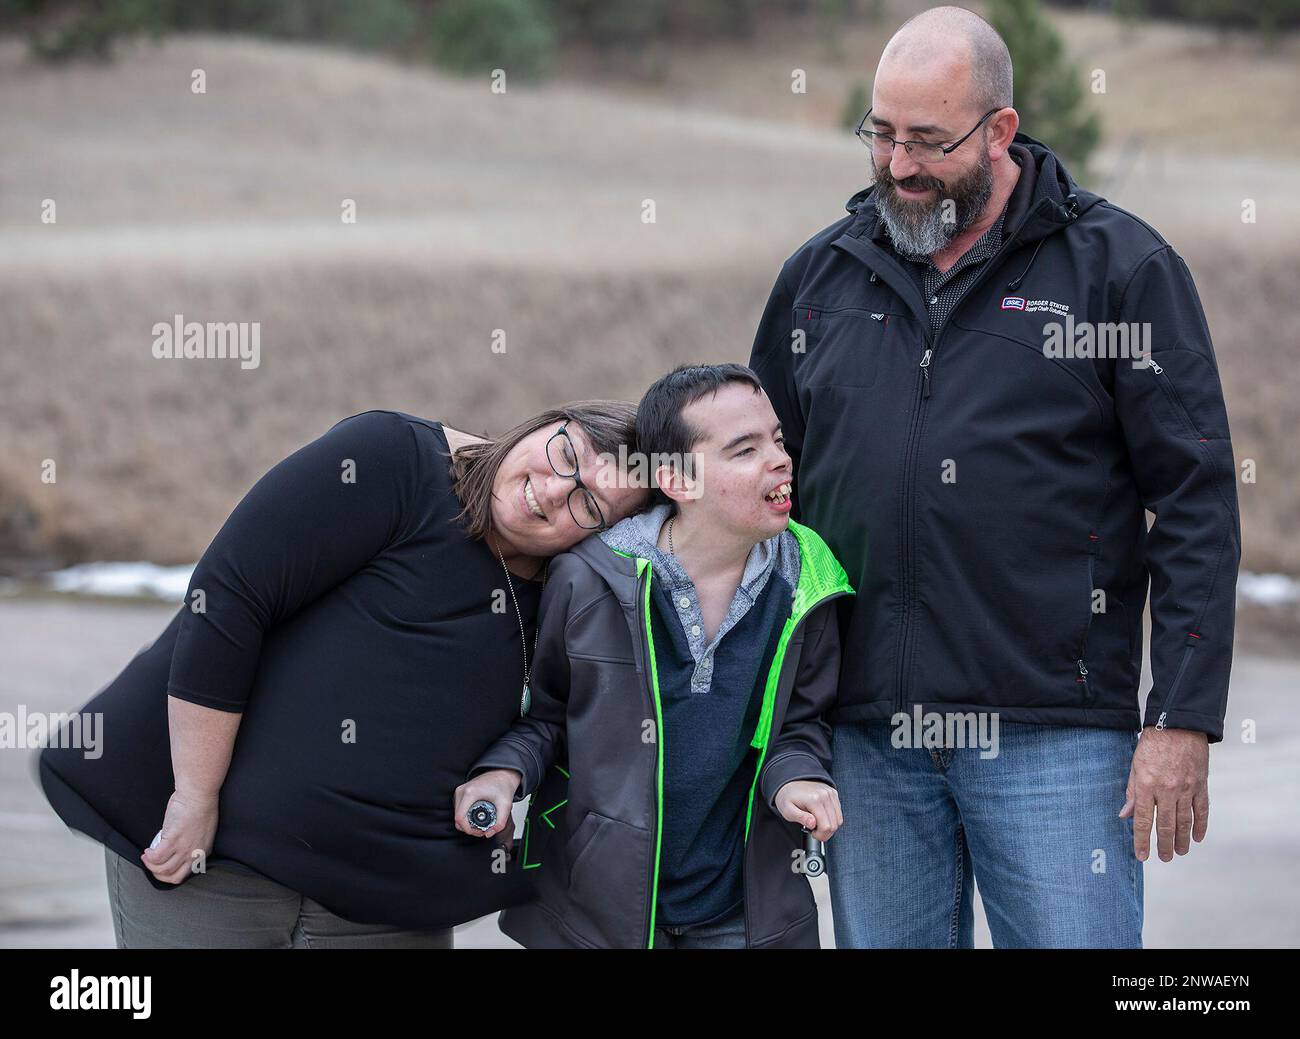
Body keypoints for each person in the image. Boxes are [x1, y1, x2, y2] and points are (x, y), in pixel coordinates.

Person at [749, 6, 1240, 948]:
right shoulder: (820, 279)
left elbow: (1194, 502)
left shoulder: (1120, 270)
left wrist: (1181, 717)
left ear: (1000, 131)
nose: (898, 165)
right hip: (869, 736)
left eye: (928, 141)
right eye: (881, 134)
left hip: (1056, 734)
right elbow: (768, 496)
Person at [39, 404, 646, 948]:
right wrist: (195, 796)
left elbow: (554, 715)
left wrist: (505, 768)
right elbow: (227, 597)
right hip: (212, 862)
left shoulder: (568, 592)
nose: (554, 491)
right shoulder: (392, 460)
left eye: (589, 504)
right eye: (566, 456)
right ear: (547, 424)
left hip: (388, 895)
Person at [456, 363, 852, 948]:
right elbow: (549, 718)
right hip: (595, 914)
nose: (780, 460)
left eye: (776, 439)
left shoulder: (811, 585)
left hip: (739, 913)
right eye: (744, 451)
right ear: (677, 480)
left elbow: (798, 727)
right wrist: (502, 773)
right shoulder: (588, 580)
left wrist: (796, 778)